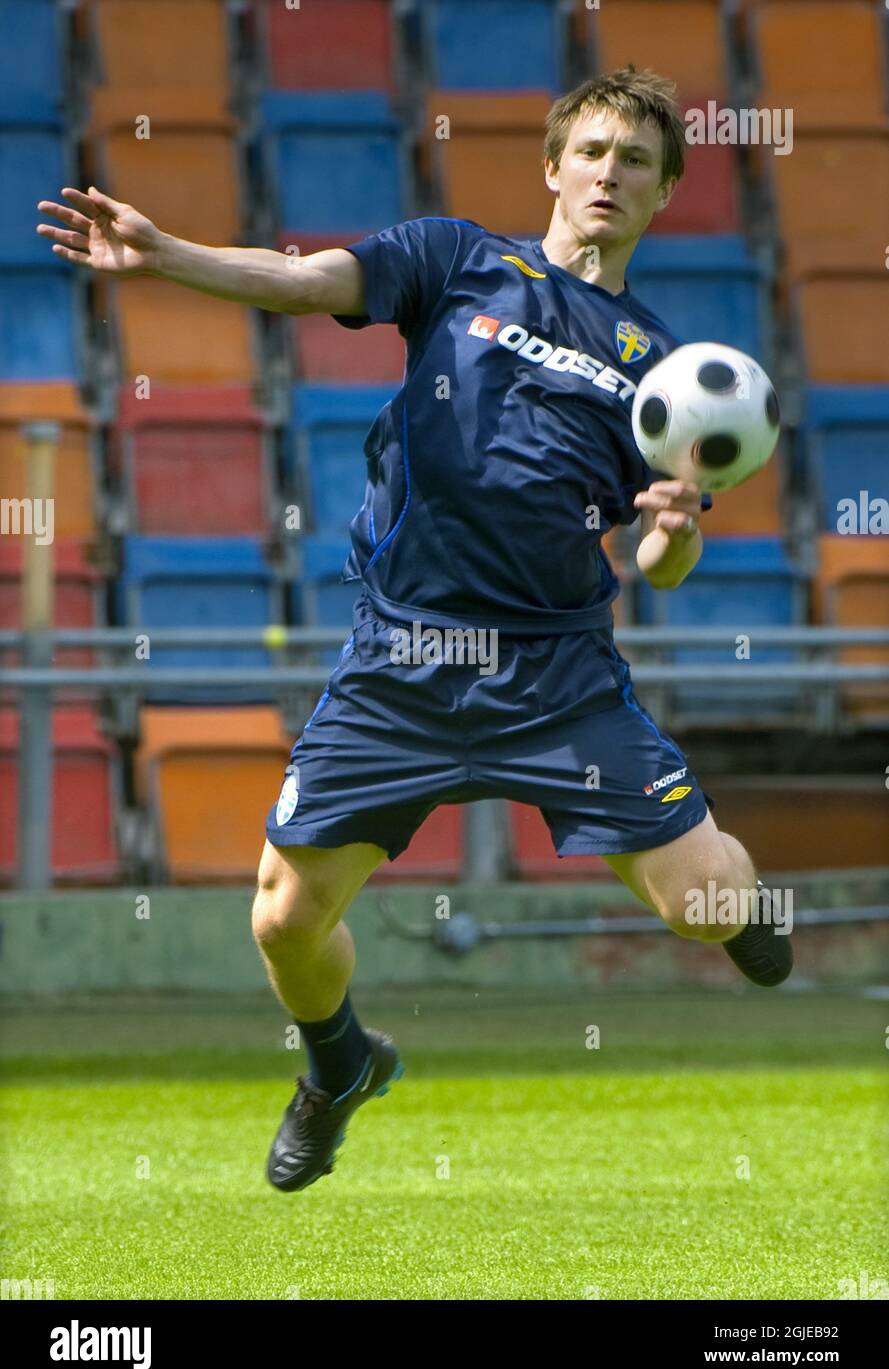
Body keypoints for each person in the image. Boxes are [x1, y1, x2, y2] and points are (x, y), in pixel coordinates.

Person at [37, 66, 792, 1196]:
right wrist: (167, 255)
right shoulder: (456, 261)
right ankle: (339, 1064)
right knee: (285, 921)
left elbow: (660, 567)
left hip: (556, 678)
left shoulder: (672, 375)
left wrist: (675, 525)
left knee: (707, 906)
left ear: (663, 191)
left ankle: (741, 913)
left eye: (635, 161)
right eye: (590, 151)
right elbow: (302, 281)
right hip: (404, 659)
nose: (607, 174)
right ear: (552, 166)